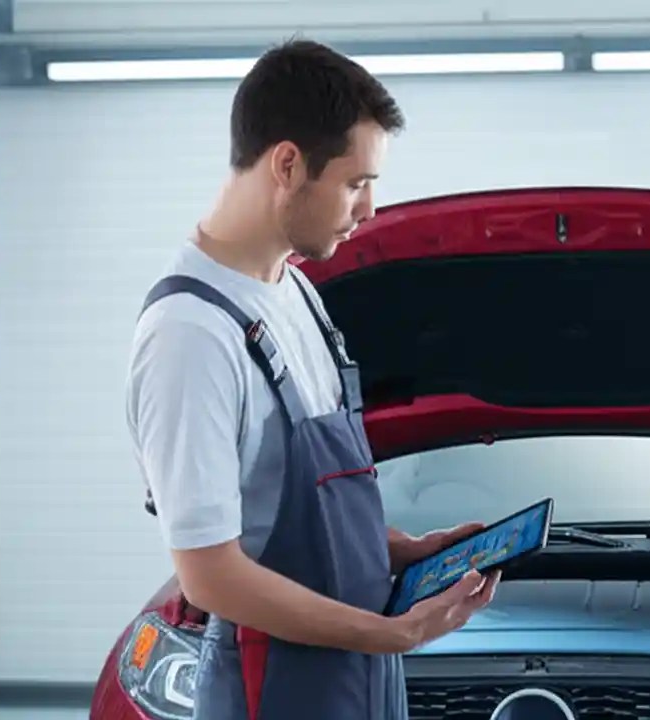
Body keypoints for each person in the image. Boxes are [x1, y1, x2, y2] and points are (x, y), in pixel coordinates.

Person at [125, 39, 500, 720]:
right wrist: (389, 633)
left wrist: (404, 553)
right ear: (289, 165)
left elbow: (294, 515)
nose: (369, 211)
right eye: (356, 183)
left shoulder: (296, 293)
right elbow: (210, 575)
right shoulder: (191, 334)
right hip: (274, 689)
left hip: (355, 675)